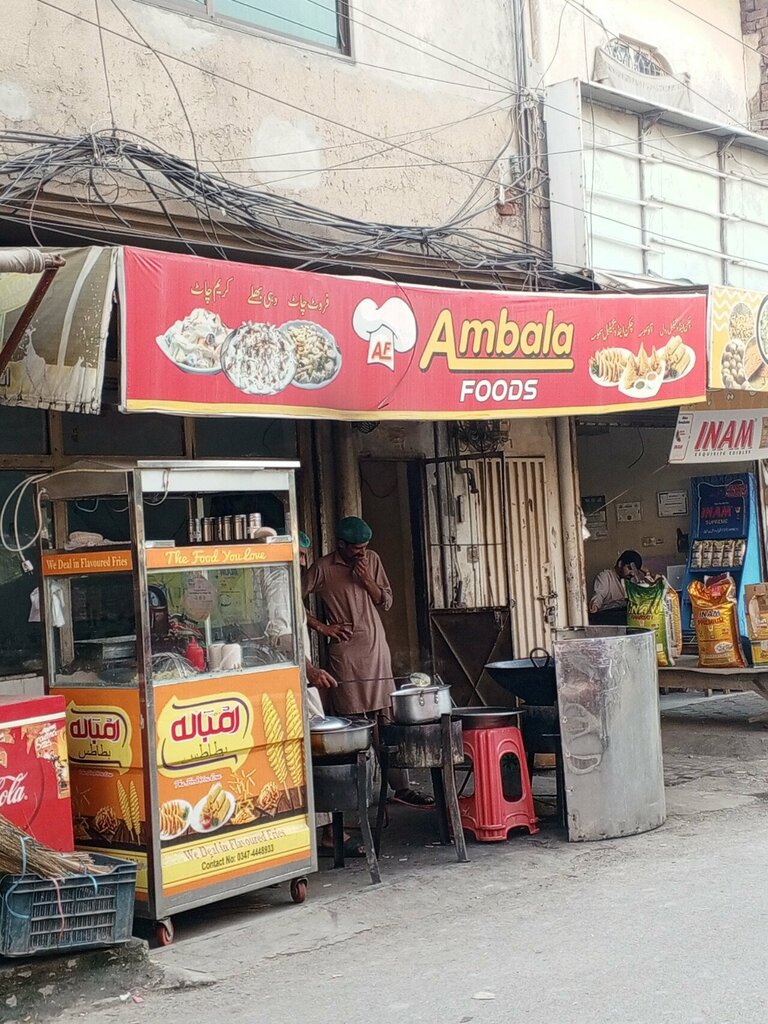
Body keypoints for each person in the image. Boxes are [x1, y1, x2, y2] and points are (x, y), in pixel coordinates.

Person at [303, 516, 433, 808]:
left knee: (385, 720)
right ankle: (355, 793)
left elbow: (385, 600)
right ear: (341, 545)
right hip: (346, 655)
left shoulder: (372, 560)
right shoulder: (324, 567)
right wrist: (321, 627)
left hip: (377, 649)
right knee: (353, 721)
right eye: (356, 548)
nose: (362, 552)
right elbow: (290, 598)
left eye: (365, 547)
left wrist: (367, 580)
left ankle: (401, 787)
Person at [588, 549, 643, 625]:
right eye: (629, 568)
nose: (633, 574)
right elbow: (599, 594)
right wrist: (595, 605)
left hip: (627, 616)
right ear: (620, 564)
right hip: (609, 616)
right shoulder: (605, 576)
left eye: (635, 571)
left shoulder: (632, 580)